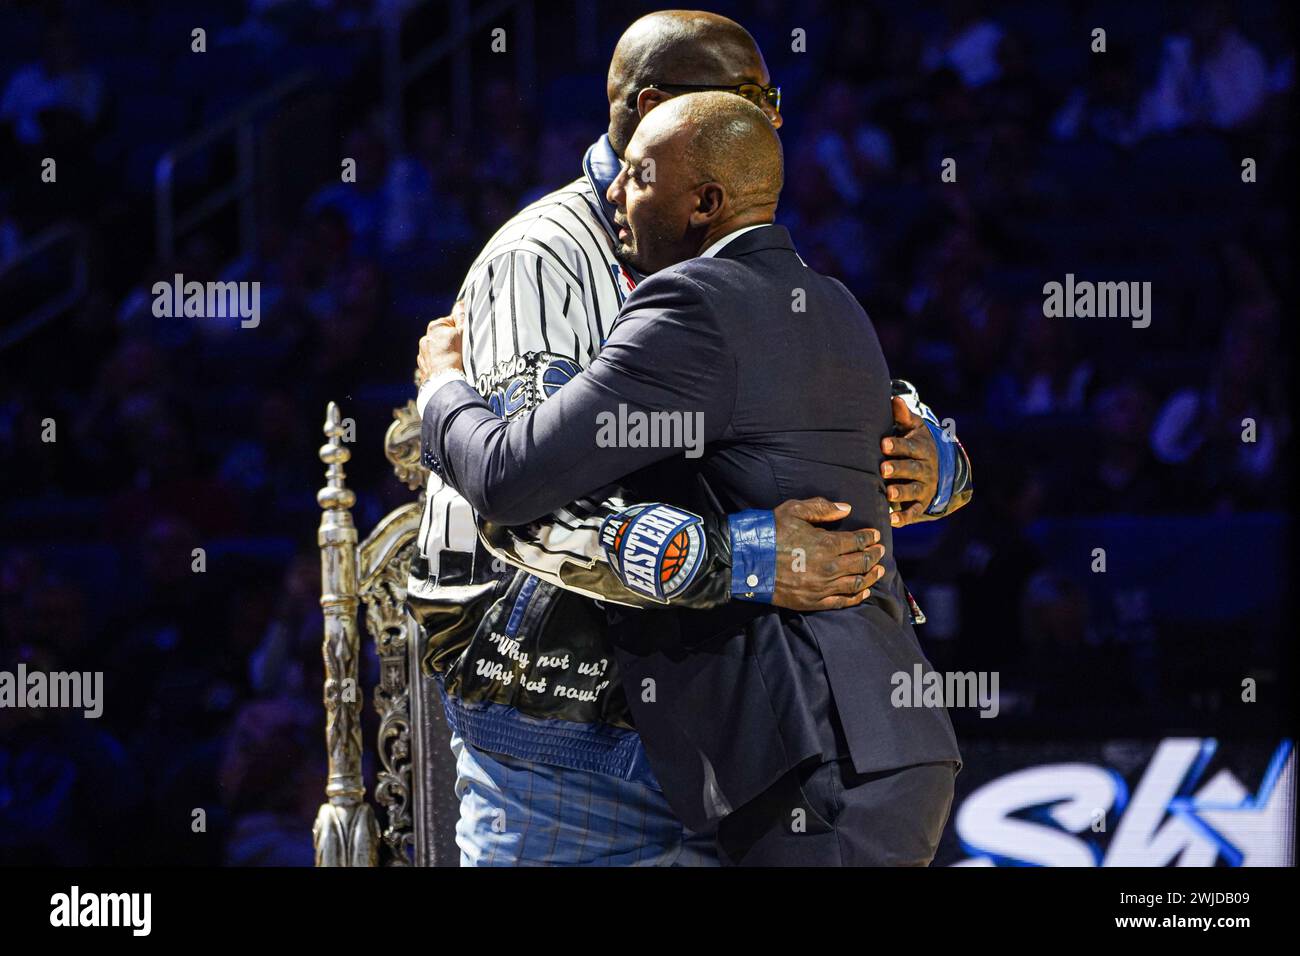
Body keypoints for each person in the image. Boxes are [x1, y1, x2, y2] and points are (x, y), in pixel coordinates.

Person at [407, 10, 971, 867]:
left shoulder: (726, 243)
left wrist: (925, 467)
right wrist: (745, 557)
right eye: (745, 98)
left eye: (770, 99)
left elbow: (826, 425)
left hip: (738, 718)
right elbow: (519, 506)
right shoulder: (541, 256)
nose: (771, 119)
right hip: (574, 723)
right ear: (657, 107)